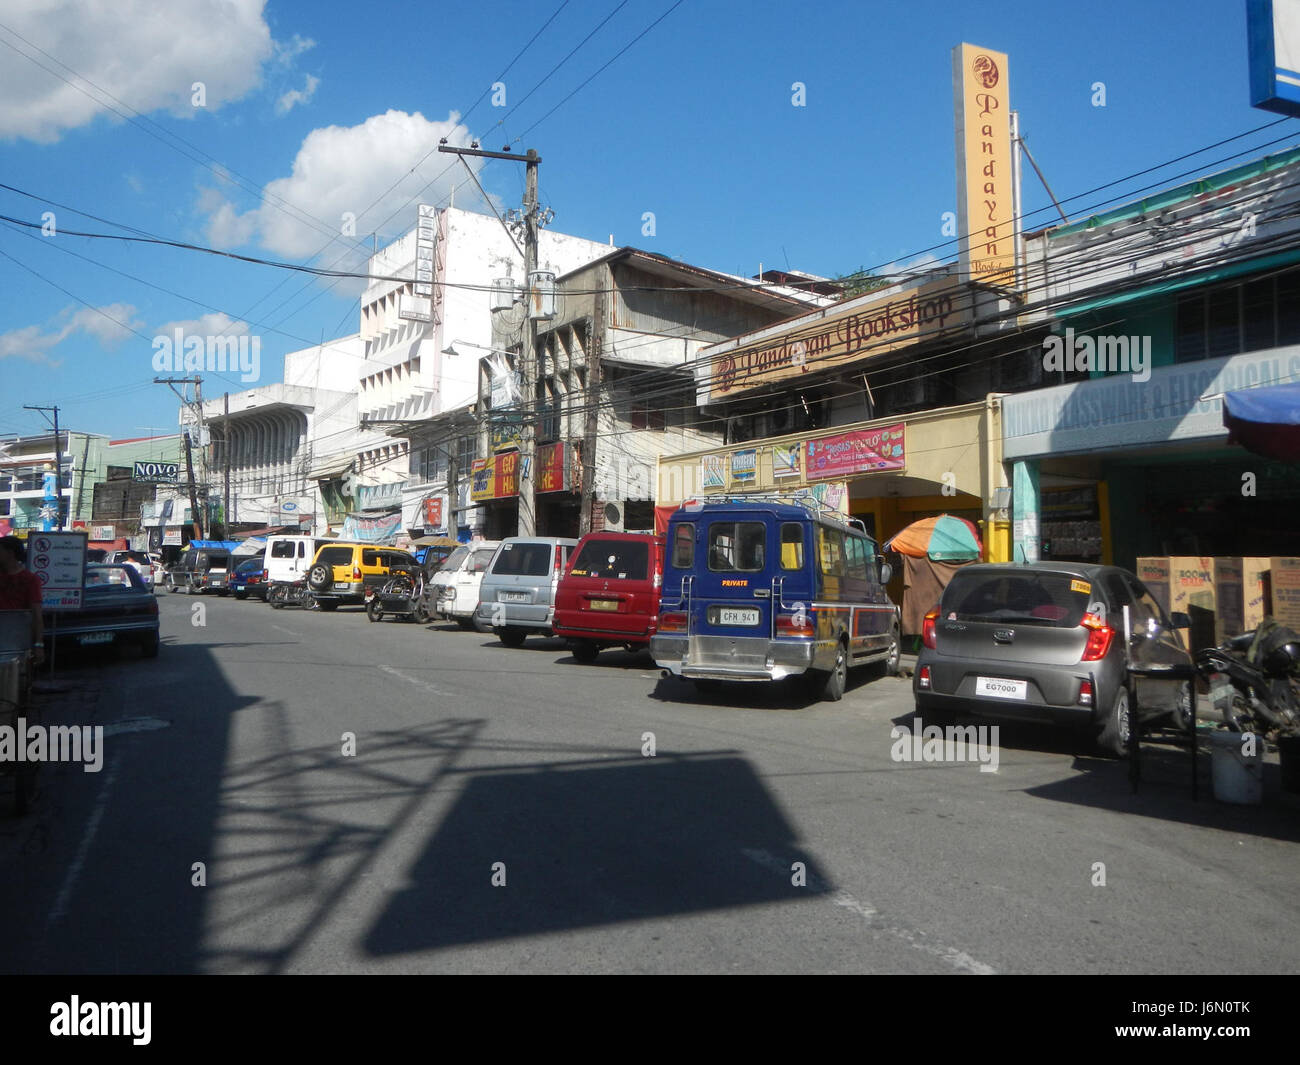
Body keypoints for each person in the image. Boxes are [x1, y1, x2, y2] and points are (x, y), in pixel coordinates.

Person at [0, 535, 44, 664]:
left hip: (17, 642)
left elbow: (37, 614)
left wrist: (39, 644)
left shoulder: (29, 579)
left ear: (10, 553)